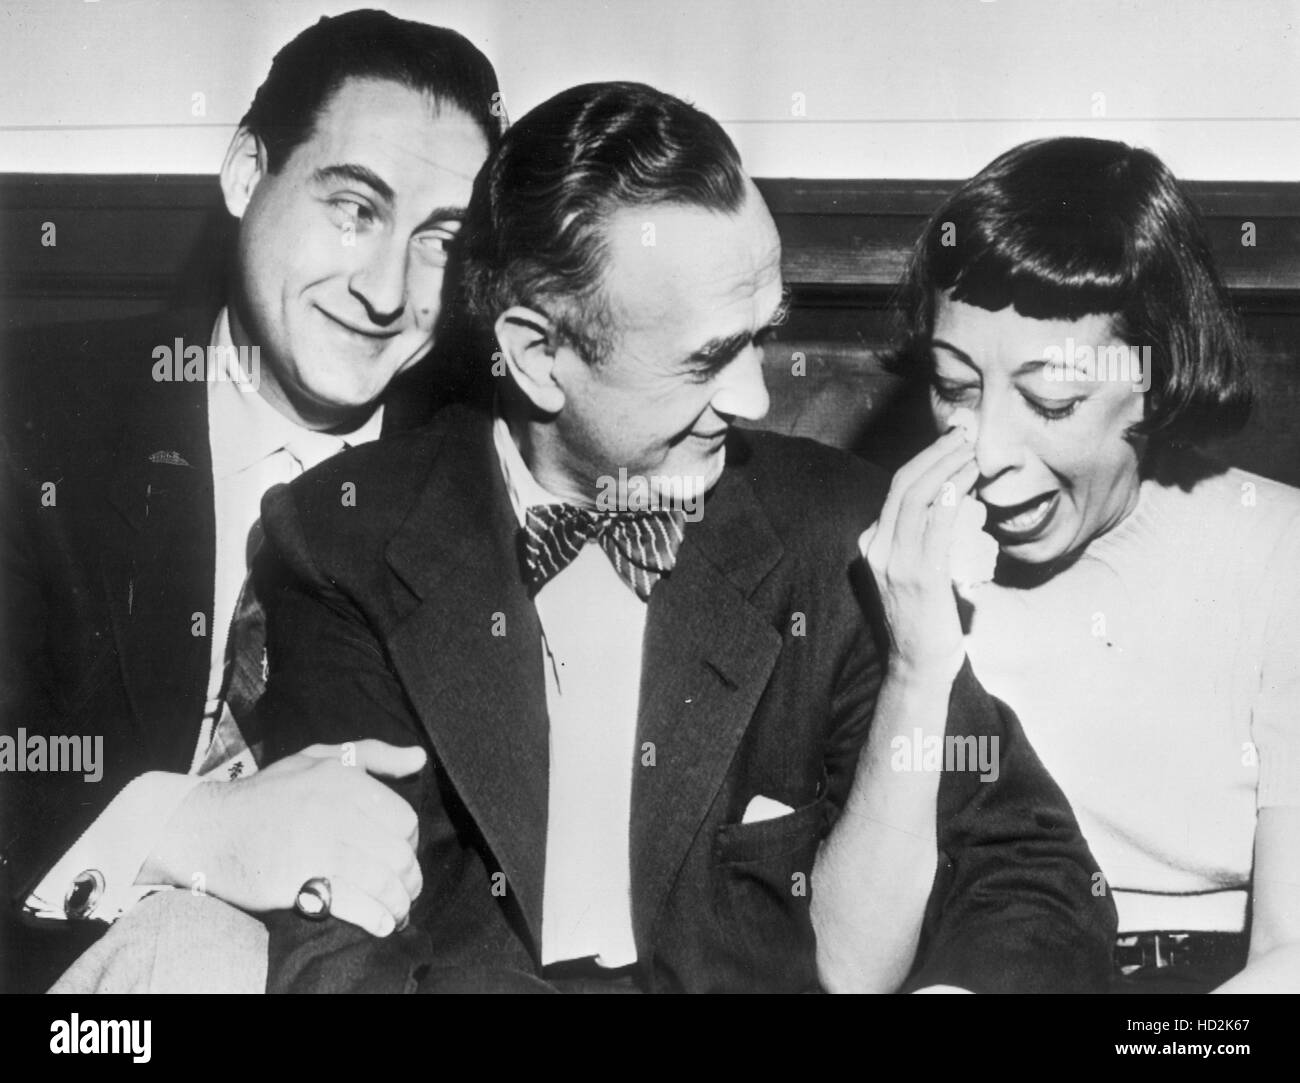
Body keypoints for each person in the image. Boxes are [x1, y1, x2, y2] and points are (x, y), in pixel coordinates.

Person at [251, 82, 1115, 994]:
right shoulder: (341, 540)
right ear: (539, 356)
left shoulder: (836, 532)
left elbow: (1030, 868)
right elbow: (341, 947)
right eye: (707, 359)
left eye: (759, 338)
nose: (754, 398)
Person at [0, 9, 501, 992]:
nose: (387, 290)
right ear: (244, 174)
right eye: (354, 208)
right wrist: (198, 830)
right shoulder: (32, 415)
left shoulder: (488, 479)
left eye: (440, 241)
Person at [819, 136, 1300, 993]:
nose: (986, 450)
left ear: (1158, 374)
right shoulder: (888, 558)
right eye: (954, 387)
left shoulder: (1278, 554)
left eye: (1052, 400)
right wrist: (914, 666)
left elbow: (1290, 954)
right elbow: (848, 970)